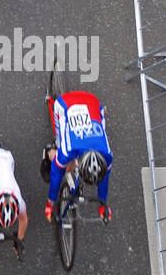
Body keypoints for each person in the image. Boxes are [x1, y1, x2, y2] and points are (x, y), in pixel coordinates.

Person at [42, 87, 113, 222]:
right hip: (64, 105)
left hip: (92, 103)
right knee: (65, 166)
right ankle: (49, 151)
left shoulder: (107, 155)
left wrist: (103, 205)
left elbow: (104, 179)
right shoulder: (69, 149)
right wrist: (50, 203)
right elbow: (56, 176)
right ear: (80, 164)